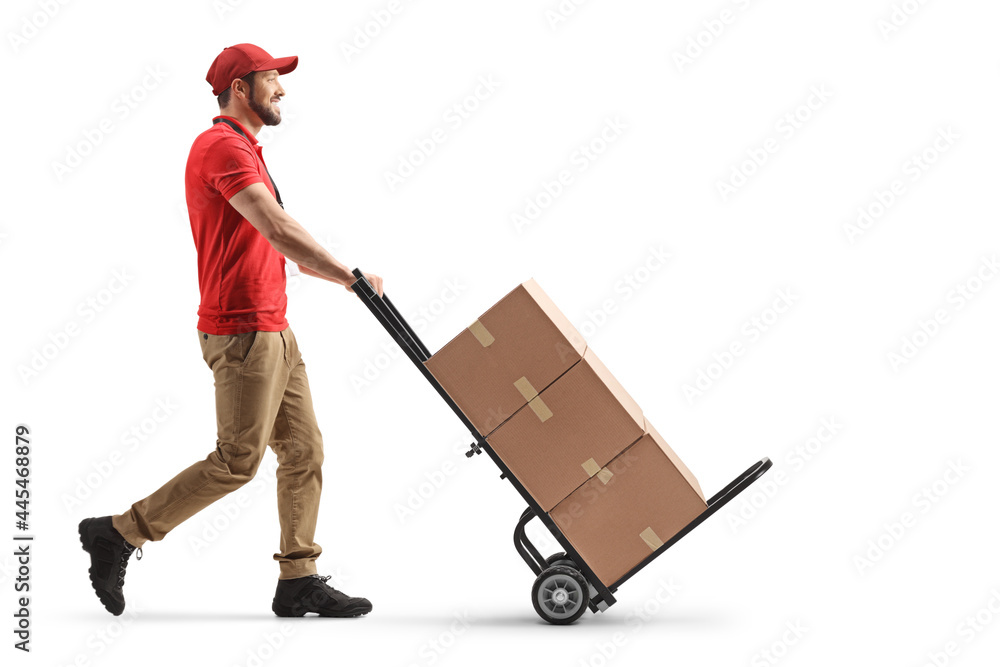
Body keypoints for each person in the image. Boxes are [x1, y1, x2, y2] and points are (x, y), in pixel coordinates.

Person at [78, 43, 383, 618]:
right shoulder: (220, 146)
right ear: (240, 88)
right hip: (242, 332)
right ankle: (120, 531)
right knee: (237, 461)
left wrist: (343, 279)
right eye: (273, 79)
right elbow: (275, 225)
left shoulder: (246, 148)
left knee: (303, 448)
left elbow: (283, 242)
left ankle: (298, 579)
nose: (283, 90)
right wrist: (351, 277)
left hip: (273, 327)